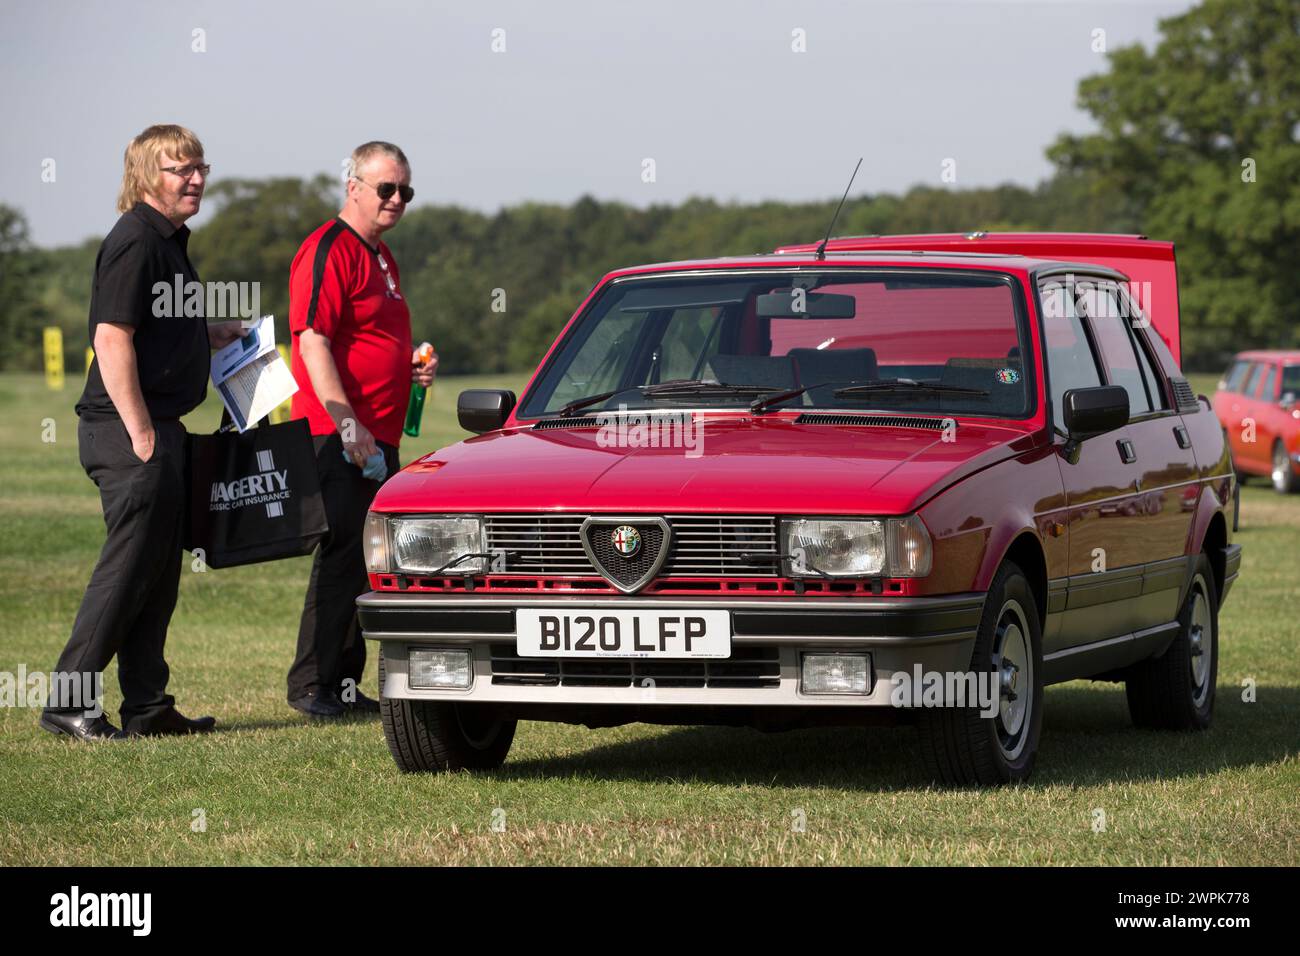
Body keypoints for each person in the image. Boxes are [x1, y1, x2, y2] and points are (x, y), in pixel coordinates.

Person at [42, 124, 248, 740]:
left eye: (200, 167)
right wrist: (140, 433)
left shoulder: (170, 243)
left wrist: (209, 332)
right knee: (127, 569)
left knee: (157, 573)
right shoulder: (135, 239)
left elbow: (158, 324)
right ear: (143, 176)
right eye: (178, 169)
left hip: (160, 428)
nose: (194, 179)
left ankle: (148, 707)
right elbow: (112, 338)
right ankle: (67, 701)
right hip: (130, 429)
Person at [286, 141, 437, 718]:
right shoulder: (330, 247)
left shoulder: (382, 255)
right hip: (338, 433)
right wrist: (348, 424)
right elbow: (313, 338)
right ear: (353, 186)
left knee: (368, 558)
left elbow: (372, 338)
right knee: (342, 552)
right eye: (386, 189)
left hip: (379, 435)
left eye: (405, 191)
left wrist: (412, 364)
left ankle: (345, 684)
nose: (397, 199)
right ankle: (312, 685)